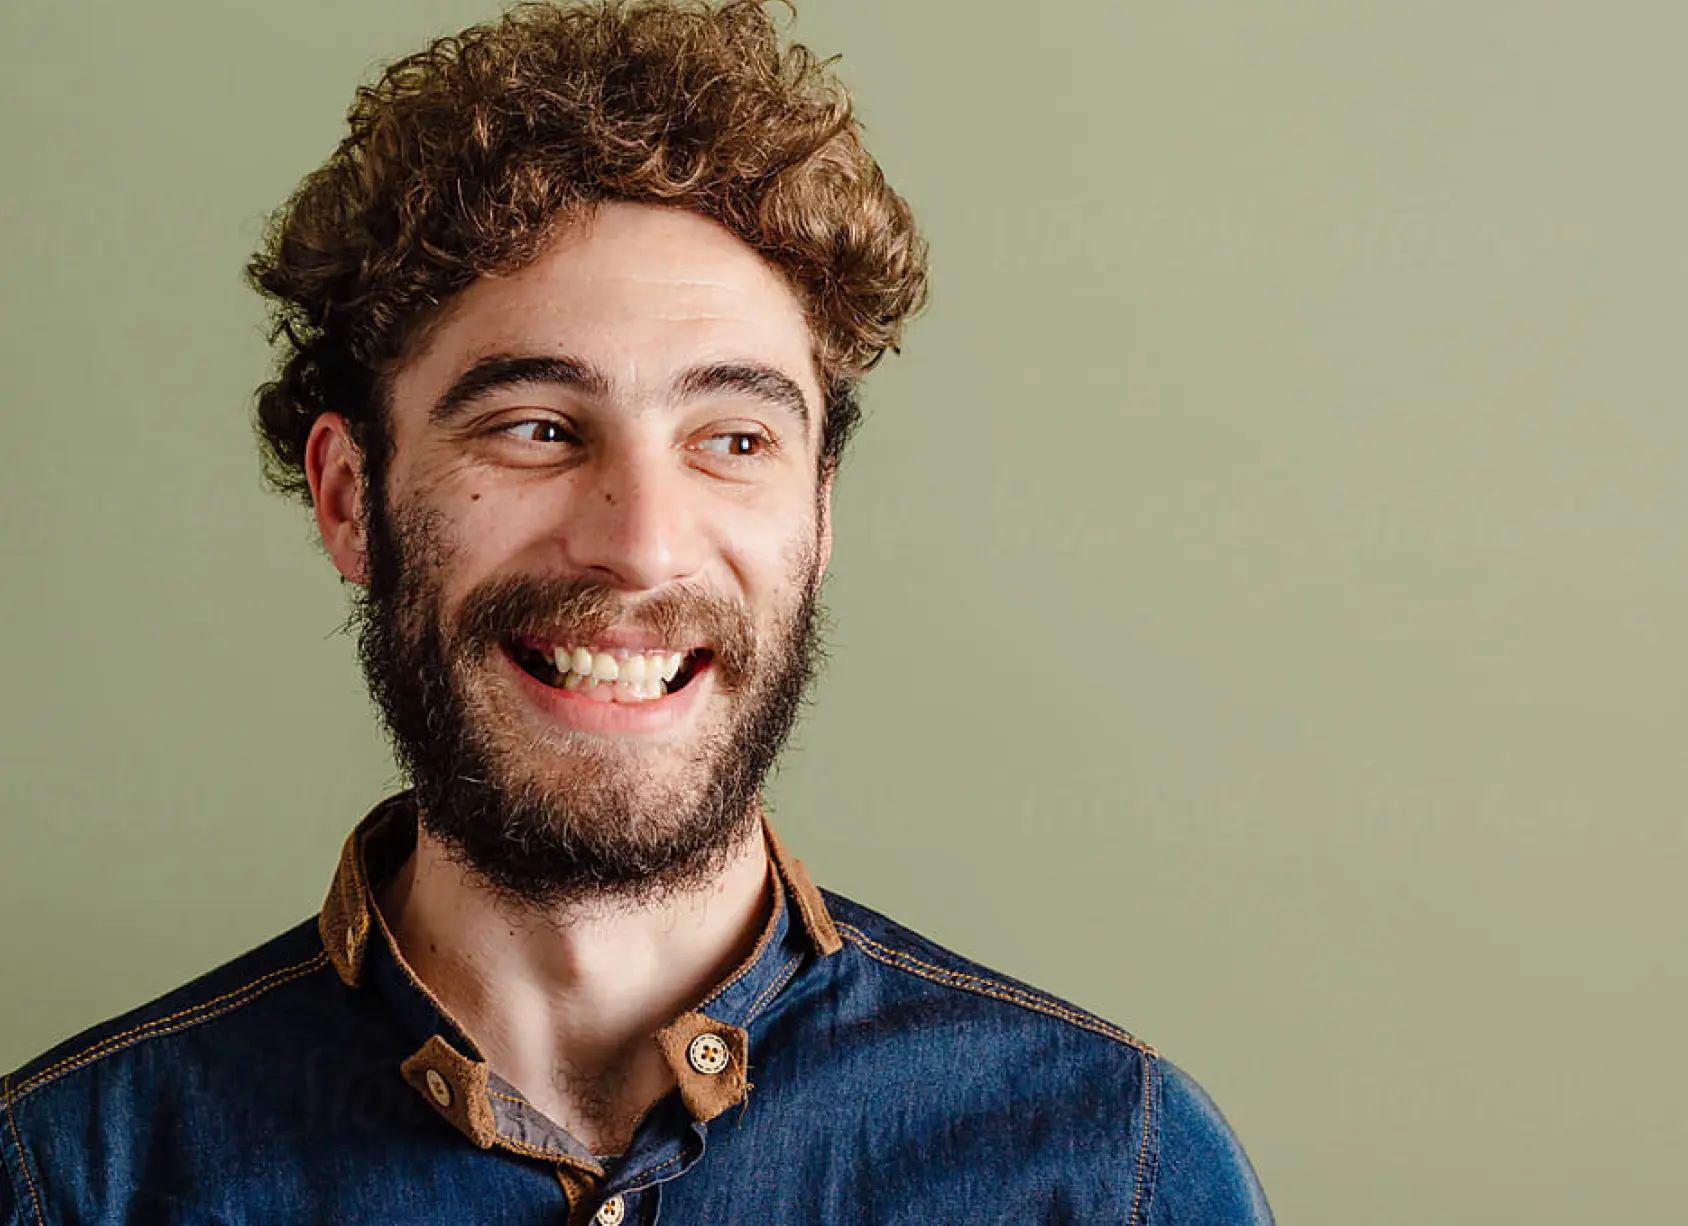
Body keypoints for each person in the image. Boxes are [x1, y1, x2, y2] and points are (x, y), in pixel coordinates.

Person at [0, 3, 1272, 1221]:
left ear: (818, 518)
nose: (641, 542)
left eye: (731, 437)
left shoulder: (1114, 1173)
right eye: (539, 427)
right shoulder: (64, 1180)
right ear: (350, 499)